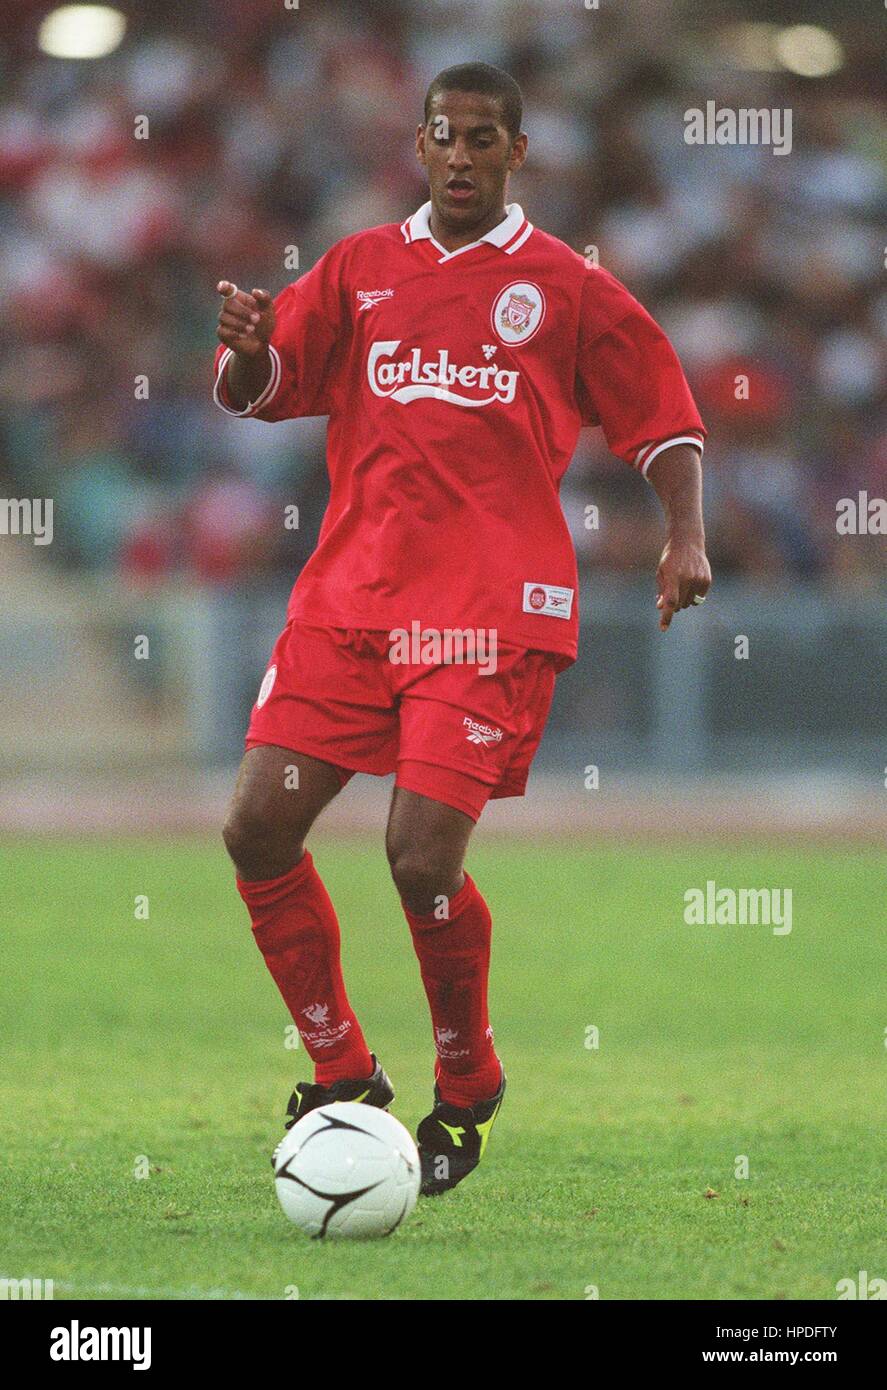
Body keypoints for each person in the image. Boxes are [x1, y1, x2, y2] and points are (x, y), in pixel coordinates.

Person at [214, 62, 710, 1197]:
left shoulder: (564, 287)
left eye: (483, 137)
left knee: (419, 857)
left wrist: (682, 536)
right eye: (443, 134)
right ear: (420, 145)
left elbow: (662, 417)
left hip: (489, 612)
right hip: (348, 603)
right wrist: (247, 347)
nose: (460, 154)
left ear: (514, 153)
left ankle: (466, 1080)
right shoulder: (359, 268)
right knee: (254, 829)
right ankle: (342, 1068)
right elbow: (267, 380)